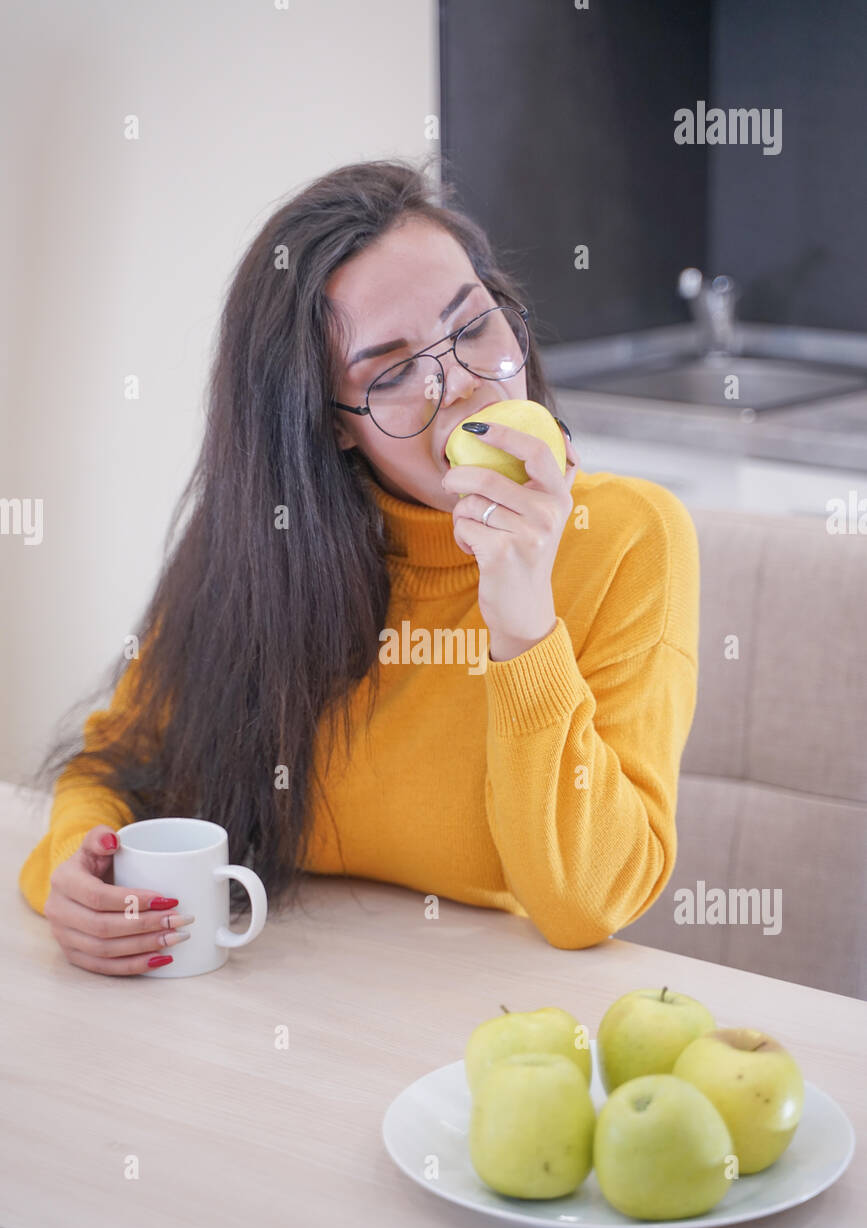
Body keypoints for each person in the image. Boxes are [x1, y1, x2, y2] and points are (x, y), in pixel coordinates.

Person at [18, 157, 699, 974]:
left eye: (473, 323)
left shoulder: (626, 537)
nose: (460, 385)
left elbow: (589, 901)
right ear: (334, 424)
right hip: (286, 1009)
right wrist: (78, 866)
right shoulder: (263, 546)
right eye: (393, 370)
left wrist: (521, 621)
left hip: (500, 1020)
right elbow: (117, 760)